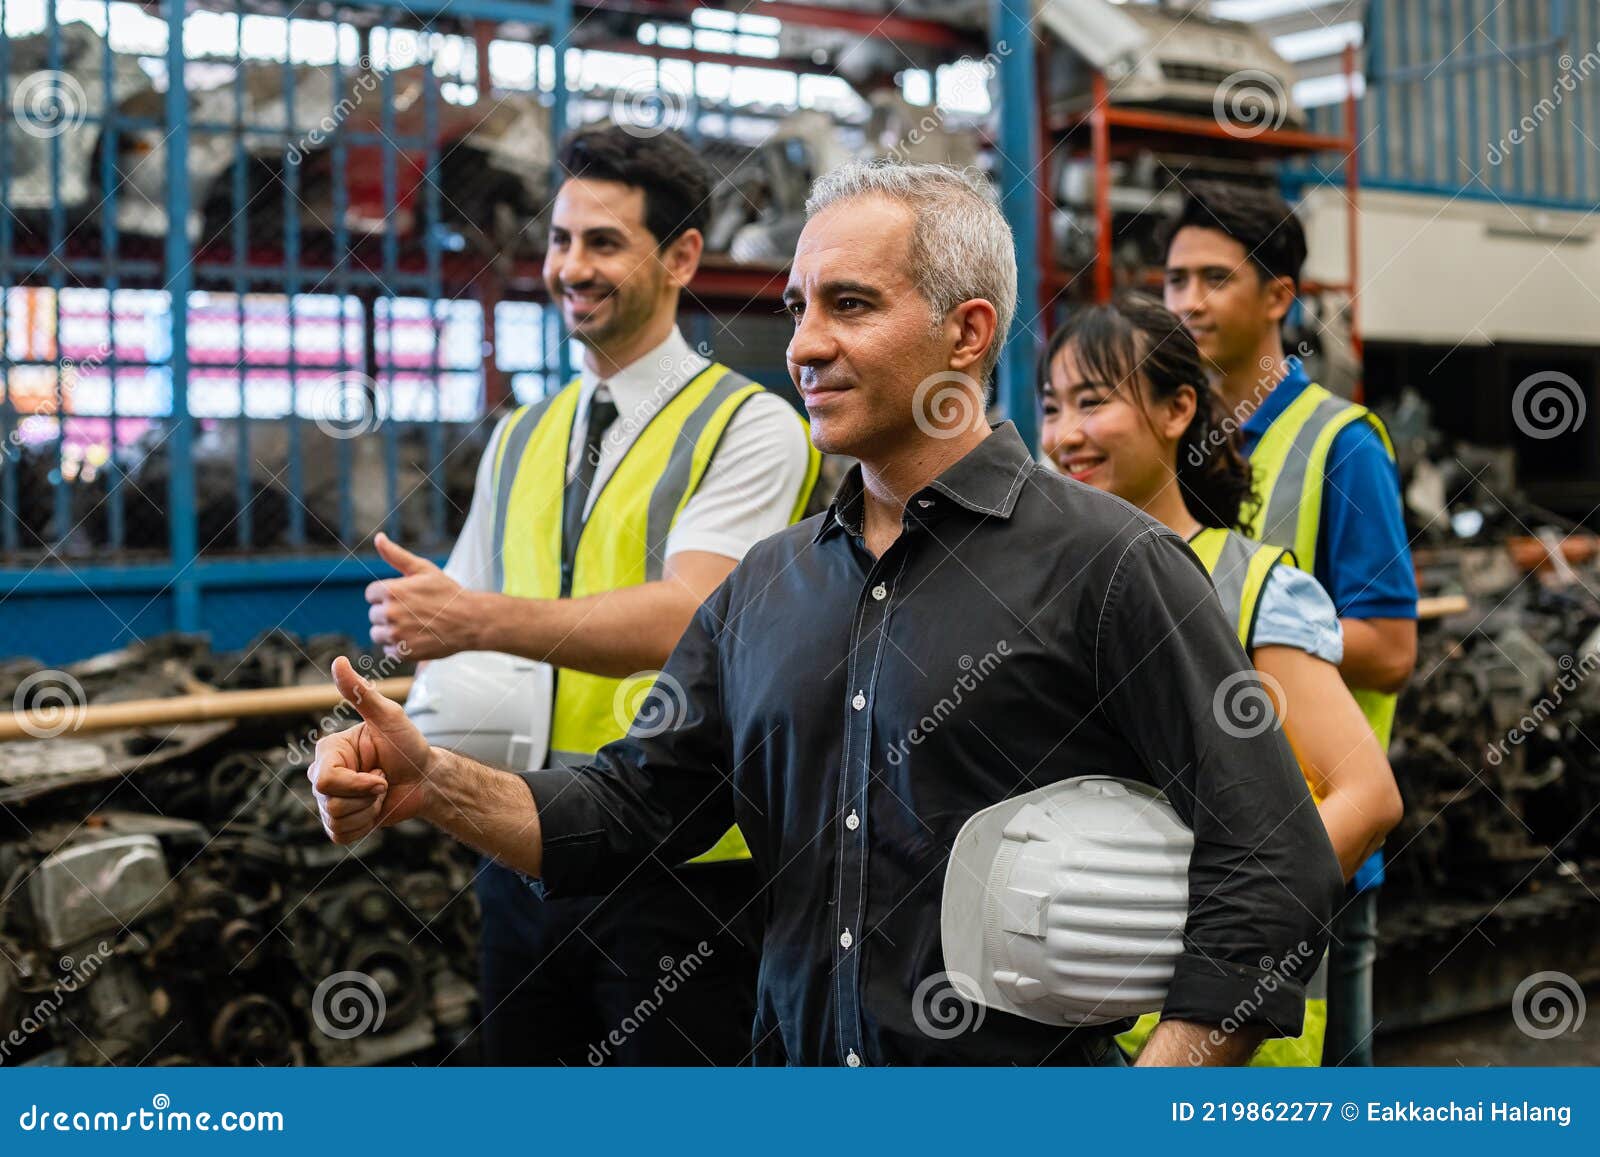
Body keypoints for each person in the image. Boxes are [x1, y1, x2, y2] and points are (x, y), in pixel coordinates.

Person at [312, 160, 1342, 1066]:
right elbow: (631, 810)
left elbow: (1272, 857)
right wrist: (436, 780)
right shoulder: (767, 584)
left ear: (967, 331)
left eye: (849, 305)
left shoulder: (1108, 565)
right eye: (799, 305)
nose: (803, 344)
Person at [362, 125, 819, 1065]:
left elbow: (692, 612)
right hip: (524, 846)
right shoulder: (522, 434)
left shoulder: (753, 427)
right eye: (563, 239)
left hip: (678, 868)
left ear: (682, 256)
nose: (572, 265)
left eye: (604, 241)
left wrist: (468, 618)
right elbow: (462, 632)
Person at [1038, 293, 1405, 1065]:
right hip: (1066, 1026)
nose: (1066, 434)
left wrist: (1215, 942)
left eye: (1093, 402)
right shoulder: (1034, 588)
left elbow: (1367, 797)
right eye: (1052, 406)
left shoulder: (1252, 585)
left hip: (1218, 1039)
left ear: (1178, 410)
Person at [1162, 182, 1418, 1066]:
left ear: (1279, 296)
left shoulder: (1339, 444)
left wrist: (1250, 632)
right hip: (1191, 840)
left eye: (1213, 278)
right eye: (1175, 279)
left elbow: (1389, 650)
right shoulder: (1172, 438)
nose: (1187, 300)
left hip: (1319, 838)